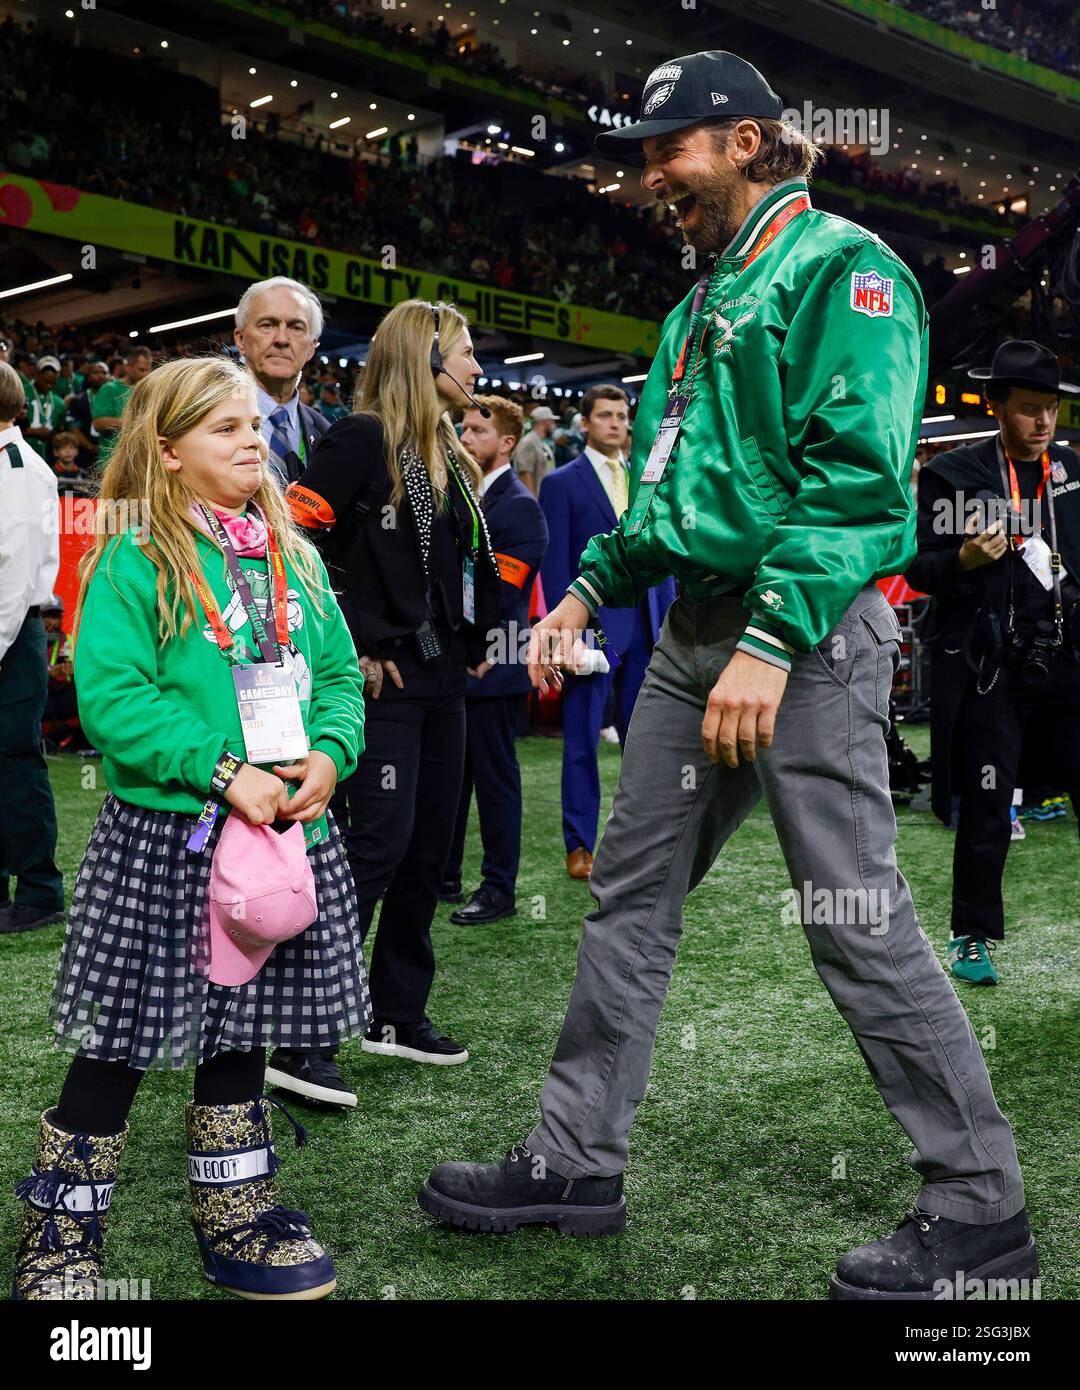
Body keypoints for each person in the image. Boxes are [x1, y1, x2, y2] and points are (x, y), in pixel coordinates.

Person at [418, 50, 1036, 1302]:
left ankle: (981, 1204)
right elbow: (673, 498)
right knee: (627, 903)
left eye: (670, 153)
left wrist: (767, 639)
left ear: (747, 142)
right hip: (693, 635)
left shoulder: (845, 269)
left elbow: (859, 486)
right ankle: (576, 1160)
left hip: (797, 639)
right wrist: (591, 582)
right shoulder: (697, 307)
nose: (654, 181)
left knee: (853, 919)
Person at [11, 355, 369, 1301]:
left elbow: (337, 678)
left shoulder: (296, 555)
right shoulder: (137, 557)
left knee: (243, 1033)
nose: (252, 441)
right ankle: (60, 1230)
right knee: (122, 1041)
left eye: (254, 425)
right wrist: (221, 772)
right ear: (166, 454)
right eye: (225, 429)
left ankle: (237, 1212)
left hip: (284, 843)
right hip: (172, 841)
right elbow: (113, 699)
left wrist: (329, 756)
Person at [278, 300, 501, 1102]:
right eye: (466, 353)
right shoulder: (365, 438)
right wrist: (357, 645)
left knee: (429, 851)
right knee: (374, 846)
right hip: (388, 682)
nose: (477, 368)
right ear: (425, 358)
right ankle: (299, 1034)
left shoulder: (438, 449)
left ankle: (396, 1014)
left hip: (442, 681)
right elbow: (294, 544)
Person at [905, 340, 1080, 986]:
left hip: (1068, 661)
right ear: (995, 406)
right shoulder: (955, 476)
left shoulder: (1071, 473)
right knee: (987, 804)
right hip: (994, 667)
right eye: (1029, 409)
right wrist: (963, 563)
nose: (1043, 424)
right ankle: (971, 934)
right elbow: (917, 569)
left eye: (1051, 411)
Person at [539, 385, 675, 879]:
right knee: (581, 741)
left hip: (649, 622)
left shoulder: (649, 477)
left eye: (622, 415)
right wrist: (568, 635)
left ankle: (645, 845)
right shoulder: (561, 483)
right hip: (593, 630)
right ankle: (579, 845)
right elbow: (556, 567)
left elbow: (664, 550)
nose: (617, 423)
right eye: (605, 415)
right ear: (586, 423)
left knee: (651, 740)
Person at [442, 395, 549, 924]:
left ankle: (500, 889)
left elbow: (503, 597)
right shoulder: (466, 494)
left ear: (507, 443)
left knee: (495, 779)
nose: (465, 438)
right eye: (462, 428)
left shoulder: (518, 507)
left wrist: (479, 650)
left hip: (495, 664)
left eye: (477, 432)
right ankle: (445, 873)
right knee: (455, 776)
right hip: (463, 661)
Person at [0, 361, 64, 936]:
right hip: (11, 632)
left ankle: (39, 888)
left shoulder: (18, 468)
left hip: (10, 633)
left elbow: (14, 579)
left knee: (17, 763)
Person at [234, 276, 329, 488]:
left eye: (296, 327)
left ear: (312, 347)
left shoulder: (326, 432)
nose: (282, 340)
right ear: (240, 340)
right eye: (268, 325)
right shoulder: (206, 417)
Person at [91, 346, 152, 466]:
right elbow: (98, 423)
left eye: (147, 370)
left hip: (140, 463)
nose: (145, 375)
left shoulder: (148, 391)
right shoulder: (108, 389)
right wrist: (135, 422)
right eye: (141, 369)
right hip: (113, 463)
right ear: (128, 366)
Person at [65, 358, 108, 472]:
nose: (100, 376)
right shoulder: (78, 400)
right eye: (96, 372)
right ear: (88, 377)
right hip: (85, 456)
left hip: (109, 456)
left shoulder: (115, 401)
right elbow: (73, 429)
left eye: (104, 373)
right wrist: (91, 447)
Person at [21, 355, 67, 462]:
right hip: (24, 452)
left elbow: (61, 429)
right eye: (46, 381)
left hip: (48, 456)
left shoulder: (59, 402)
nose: (48, 385)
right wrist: (32, 431)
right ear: (37, 373)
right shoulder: (21, 393)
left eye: (52, 382)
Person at [511, 404, 556, 496]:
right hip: (536, 501)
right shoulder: (528, 443)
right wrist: (532, 503)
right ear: (545, 422)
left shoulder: (542, 443)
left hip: (545, 498)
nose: (553, 425)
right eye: (552, 421)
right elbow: (524, 474)